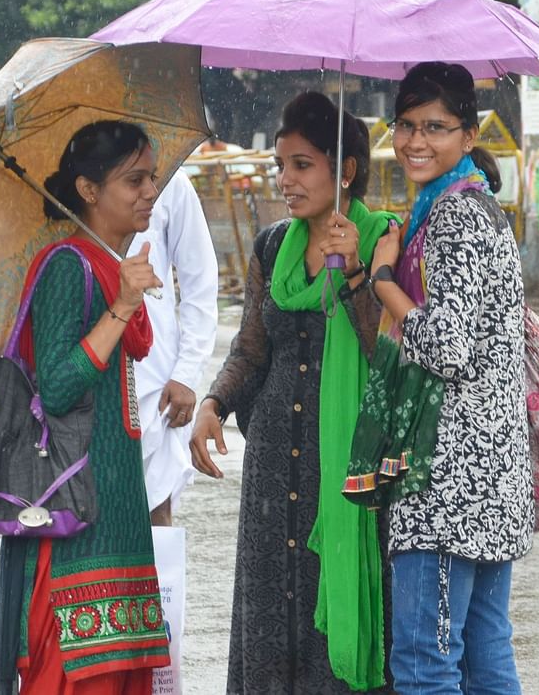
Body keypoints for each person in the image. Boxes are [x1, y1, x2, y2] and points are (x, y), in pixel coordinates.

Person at [190, 91, 396, 693]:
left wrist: (357, 271)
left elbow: (388, 352)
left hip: (346, 466)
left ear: (346, 170)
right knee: (270, 613)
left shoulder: (384, 239)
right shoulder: (272, 246)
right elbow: (253, 347)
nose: (286, 179)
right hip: (275, 459)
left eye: (302, 164)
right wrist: (214, 404)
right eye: (282, 164)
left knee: (334, 611)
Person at [344, 62, 533, 693]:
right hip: (489, 473)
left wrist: (383, 280)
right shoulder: (472, 208)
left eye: (436, 127)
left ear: (469, 134)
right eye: (405, 125)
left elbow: (446, 348)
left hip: (448, 480)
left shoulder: (454, 218)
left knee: (425, 662)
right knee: (484, 655)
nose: (415, 142)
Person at [0, 121, 170, 695]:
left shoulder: (110, 264)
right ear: (89, 191)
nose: (150, 192)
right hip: (73, 528)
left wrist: (126, 294)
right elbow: (58, 389)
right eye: (134, 180)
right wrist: (121, 305)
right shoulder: (67, 266)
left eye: (153, 179)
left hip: (116, 509)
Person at [128, 168, 219, 526]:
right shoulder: (67, 174)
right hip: (88, 377)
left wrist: (185, 374)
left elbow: (200, 283)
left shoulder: (170, 181)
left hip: (156, 383)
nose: (147, 191)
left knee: (156, 511)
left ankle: (156, 586)